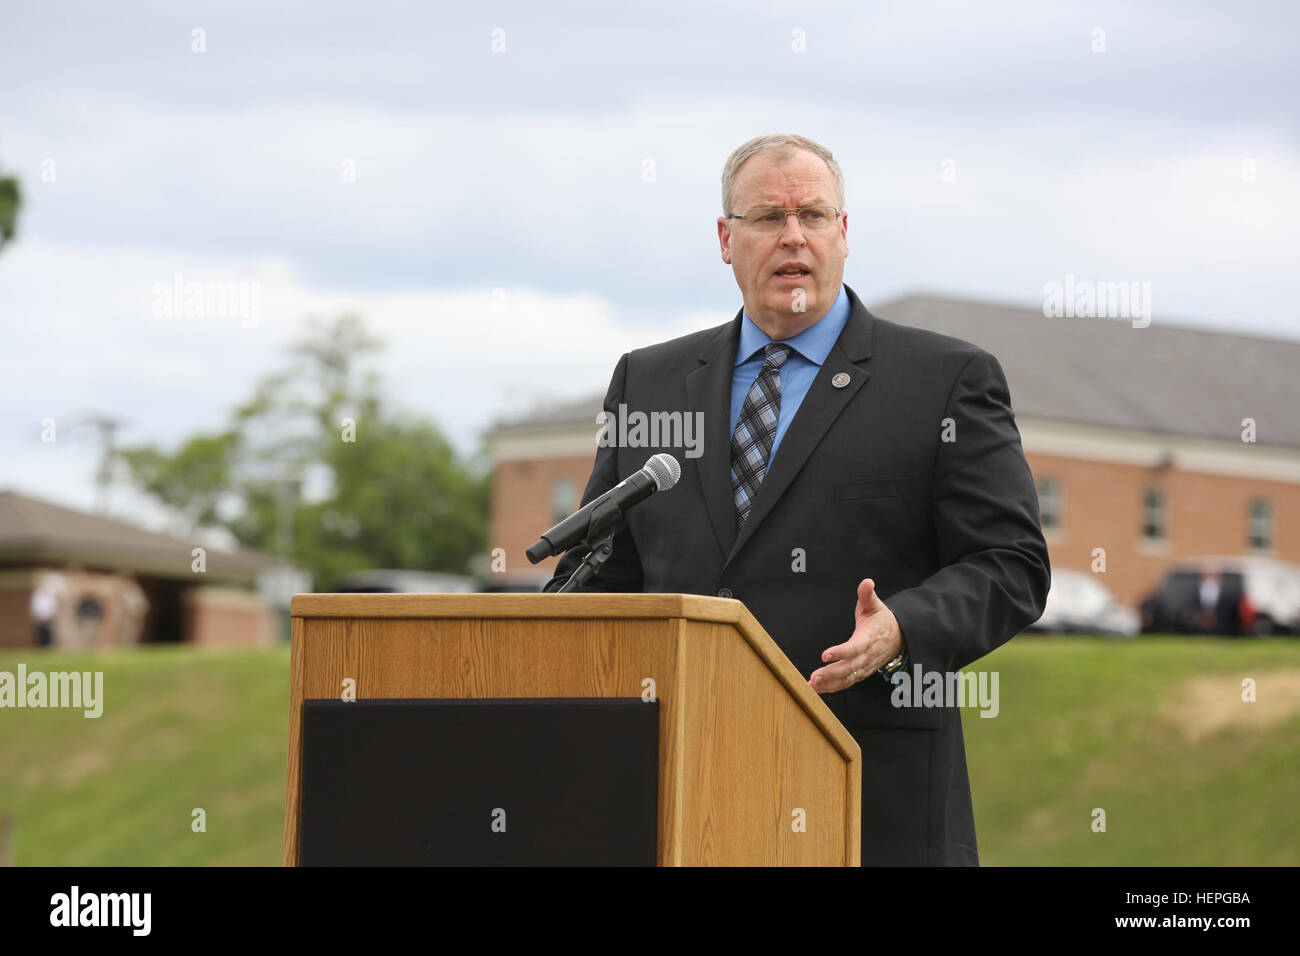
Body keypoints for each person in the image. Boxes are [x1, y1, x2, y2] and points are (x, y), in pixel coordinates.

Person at [544, 133, 1051, 866]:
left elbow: (1011, 564)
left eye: (813, 215)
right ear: (726, 238)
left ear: (844, 234)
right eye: (767, 218)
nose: (793, 237)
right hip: (679, 798)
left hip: (867, 794)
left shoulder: (943, 380)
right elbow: (607, 573)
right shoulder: (648, 382)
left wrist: (902, 628)